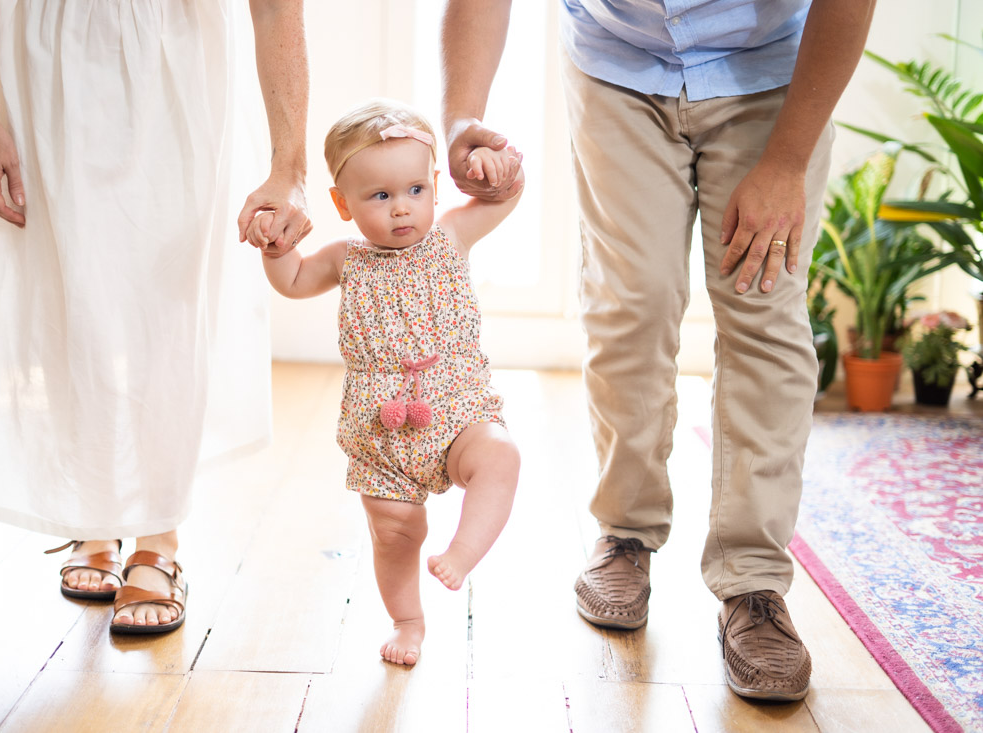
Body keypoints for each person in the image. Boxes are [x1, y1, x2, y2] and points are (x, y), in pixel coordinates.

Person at [441, 0, 875, 700]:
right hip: (618, 64)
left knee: (762, 309)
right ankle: (625, 531)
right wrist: (462, 115)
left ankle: (754, 582)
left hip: (769, 72)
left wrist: (788, 158)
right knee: (631, 302)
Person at [0, 0, 311, 634]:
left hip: (174, 56)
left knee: (167, 301)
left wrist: (289, 167)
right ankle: (94, 516)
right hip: (40, 53)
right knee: (66, 288)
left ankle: (159, 539)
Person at [246, 99, 523, 666]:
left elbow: (509, 196)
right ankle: (407, 621)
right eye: (380, 196)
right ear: (341, 204)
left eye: (415, 190)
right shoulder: (345, 259)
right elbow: (294, 280)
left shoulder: (450, 236)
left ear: (436, 188)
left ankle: (464, 552)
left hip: (457, 405)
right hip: (381, 427)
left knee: (500, 456)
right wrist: (276, 245)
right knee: (393, 531)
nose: (402, 209)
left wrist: (497, 170)